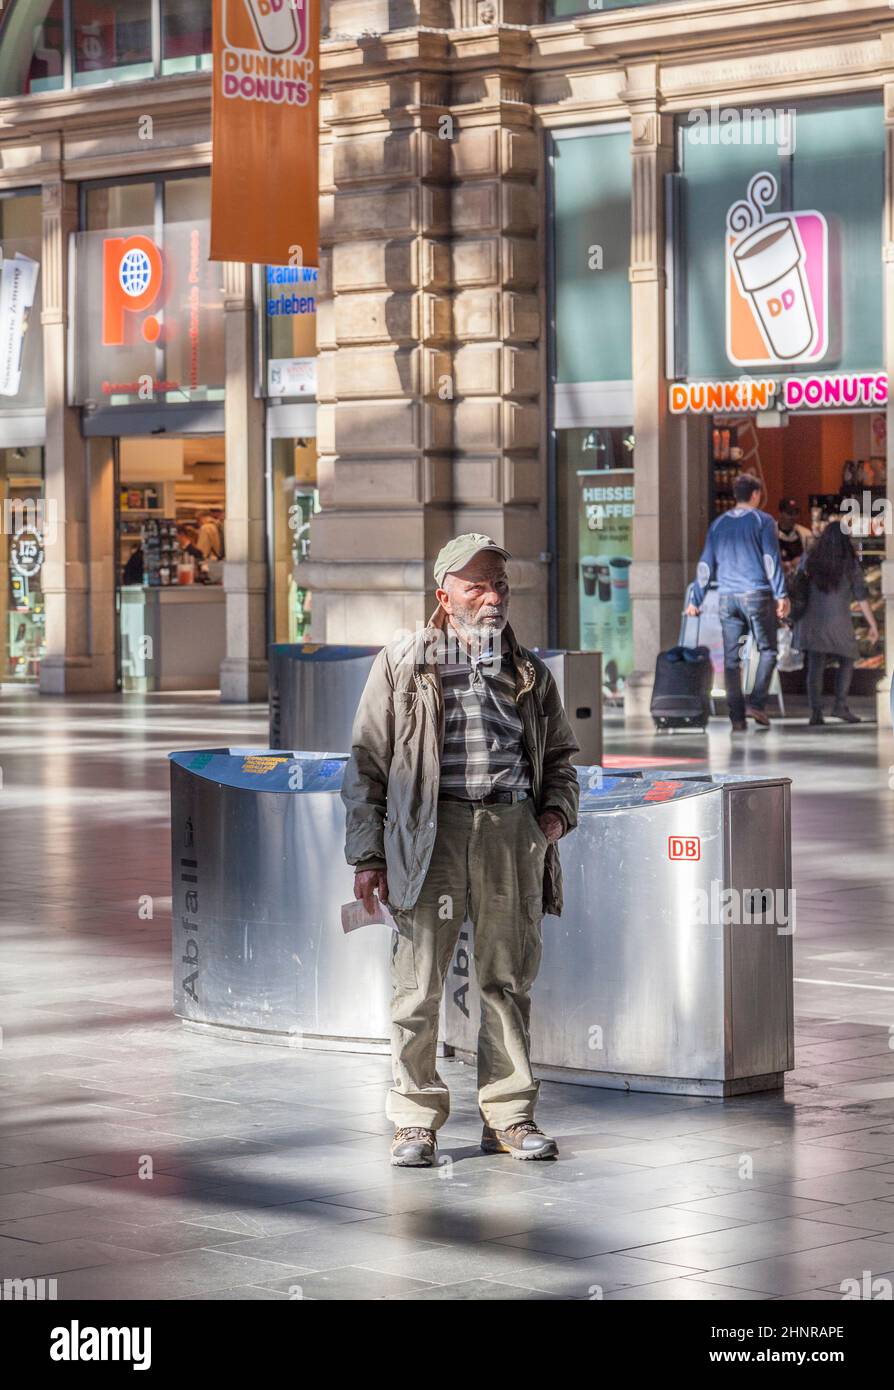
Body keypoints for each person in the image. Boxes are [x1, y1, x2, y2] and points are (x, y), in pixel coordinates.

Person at [342, 533, 580, 1168]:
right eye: (477, 584)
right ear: (443, 593)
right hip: (431, 835)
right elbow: (366, 764)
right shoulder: (404, 662)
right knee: (417, 984)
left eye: (500, 583)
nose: (492, 595)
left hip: (510, 833)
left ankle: (508, 1117)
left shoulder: (527, 670)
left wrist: (554, 816)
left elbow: (561, 759)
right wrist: (368, 857)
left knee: (505, 981)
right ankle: (414, 1120)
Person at [686, 473, 789, 732]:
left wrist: (694, 599)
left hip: (726, 598)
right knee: (767, 650)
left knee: (732, 660)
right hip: (756, 594)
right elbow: (770, 559)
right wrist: (781, 594)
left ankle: (737, 718)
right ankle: (756, 702)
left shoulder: (718, 525)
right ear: (755, 494)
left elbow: (705, 566)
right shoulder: (762, 520)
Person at [793, 519, 878, 725]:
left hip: (811, 620)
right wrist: (872, 624)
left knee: (816, 664)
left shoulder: (811, 557)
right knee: (847, 660)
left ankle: (816, 712)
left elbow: (798, 581)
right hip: (838, 620)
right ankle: (840, 705)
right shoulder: (849, 563)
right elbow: (861, 596)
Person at [777, 498, 813, 573]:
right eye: (789, 513)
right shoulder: (770, 533)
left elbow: (813, 560)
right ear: (780, 513)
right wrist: (789, 565)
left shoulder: (806, 534)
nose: (793, 517)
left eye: (796, 513)